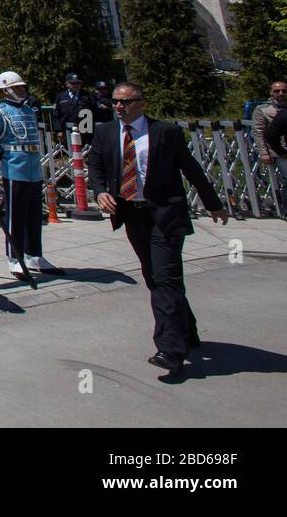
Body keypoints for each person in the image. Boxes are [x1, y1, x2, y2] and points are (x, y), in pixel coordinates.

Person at [85, 81, 228, 375]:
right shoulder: (106, 132)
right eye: (115, 102)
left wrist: (213, 203)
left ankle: (170, 349)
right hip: (132, 215)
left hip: (164, 214)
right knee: (155, 277)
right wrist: (100, 191)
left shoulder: (165, 132)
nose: (119, 107)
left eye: (126, 102)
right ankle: (186, 330)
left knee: (165, 279)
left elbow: (191, 169)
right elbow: (96, 168)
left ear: (142, 103)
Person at [0, 71, 63, 276]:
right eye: (18, 87)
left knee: (34, 214)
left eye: (23, 87)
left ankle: (35, 254)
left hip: (33, 166)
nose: (22, 90)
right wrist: (0, 154)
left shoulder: (28, 110)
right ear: (6, 89)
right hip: (14, 166)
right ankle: (14, 257)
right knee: (15, 215)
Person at [251, 81, 287, 216]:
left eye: (284, 91)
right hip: (278, 151)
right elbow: (258, 132)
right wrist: (264, 153)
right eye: (277, 91)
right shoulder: (264, 110)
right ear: (272, 92)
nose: (281, 94)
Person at [52, 73, 95, 143]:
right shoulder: (60, 96)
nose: (76, 85)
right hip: (67, 131)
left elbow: (94, 111)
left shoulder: (87, 96)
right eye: (73, 83)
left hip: (85, 131)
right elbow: (55, 114)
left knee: (85, 152)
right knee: (69, 151)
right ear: (67, 84)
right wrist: (58, 130)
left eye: (78, 83)